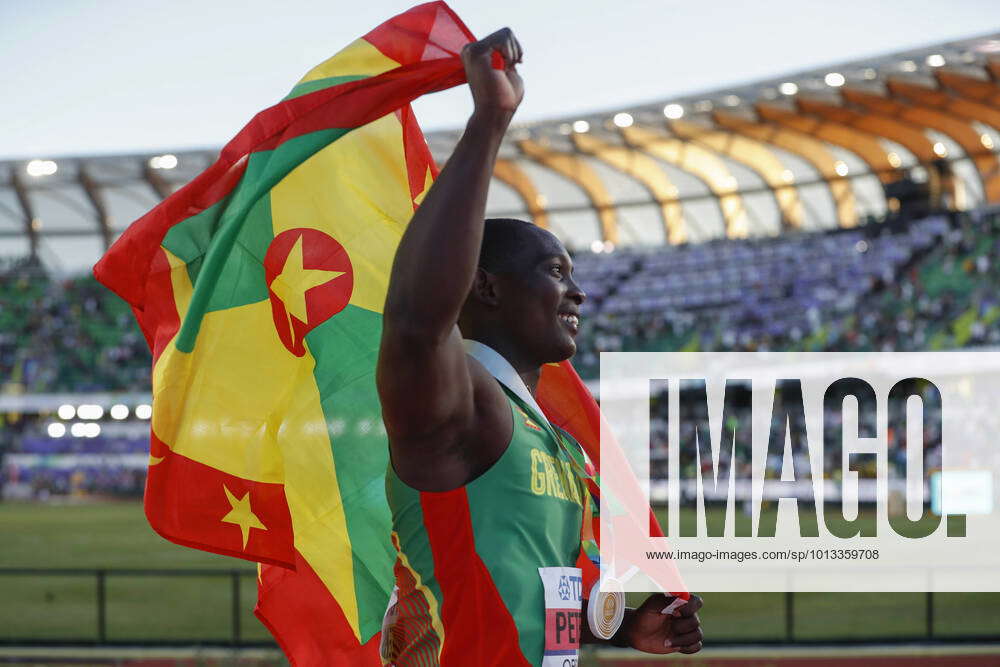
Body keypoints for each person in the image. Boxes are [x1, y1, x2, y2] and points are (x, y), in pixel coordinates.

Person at [377, 27, 703, 665]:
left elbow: (525, 596)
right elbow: (416, 320)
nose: (578, 293)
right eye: (556, 273)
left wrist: (615, 628)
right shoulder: (460, 404)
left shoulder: (547, 432)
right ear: (486, 289)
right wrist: (489, 120)